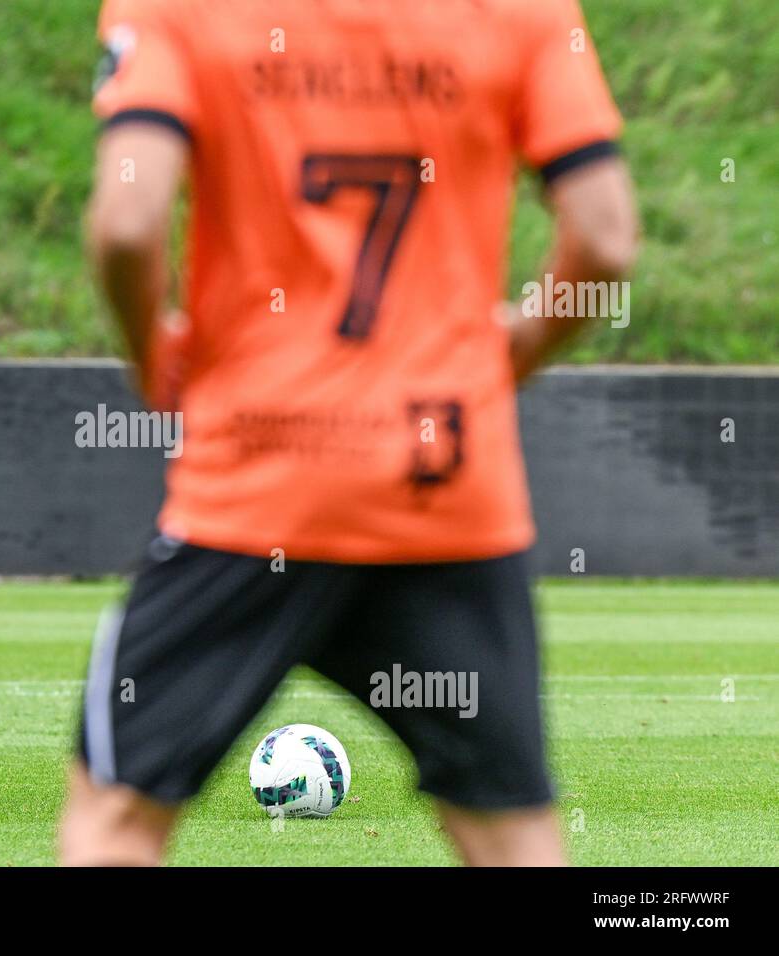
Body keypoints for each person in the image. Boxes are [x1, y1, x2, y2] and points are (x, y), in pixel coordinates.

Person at [60, 0, 638, 864]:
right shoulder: (523, 13)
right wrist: (494, 363)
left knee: (116, 821)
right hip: (443, 482)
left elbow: (126, 225)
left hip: (256, 485)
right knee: (512, 837)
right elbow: (604, 239)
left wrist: (154, 362)